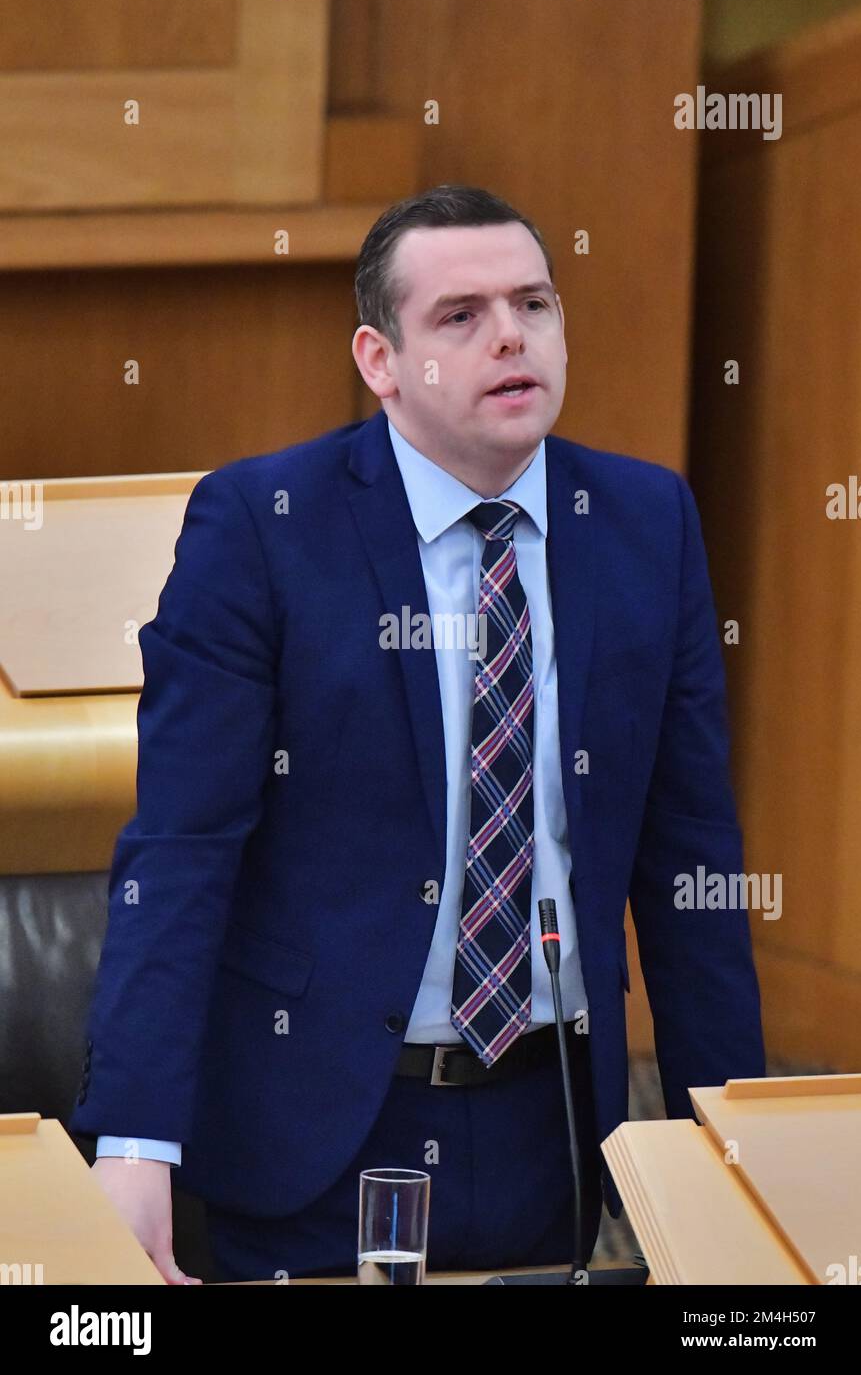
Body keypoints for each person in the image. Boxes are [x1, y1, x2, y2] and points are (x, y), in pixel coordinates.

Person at [70, 184, 765, 1284]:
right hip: (321, 1129)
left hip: (551, 1128)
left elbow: (688, 869)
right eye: (460, 315)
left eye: (533, 303)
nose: (509, 334)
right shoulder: (262, 527)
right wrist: (135, 1142)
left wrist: (738, 1163)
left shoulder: (643, 524)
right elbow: (181, 850)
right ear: (379, 361)